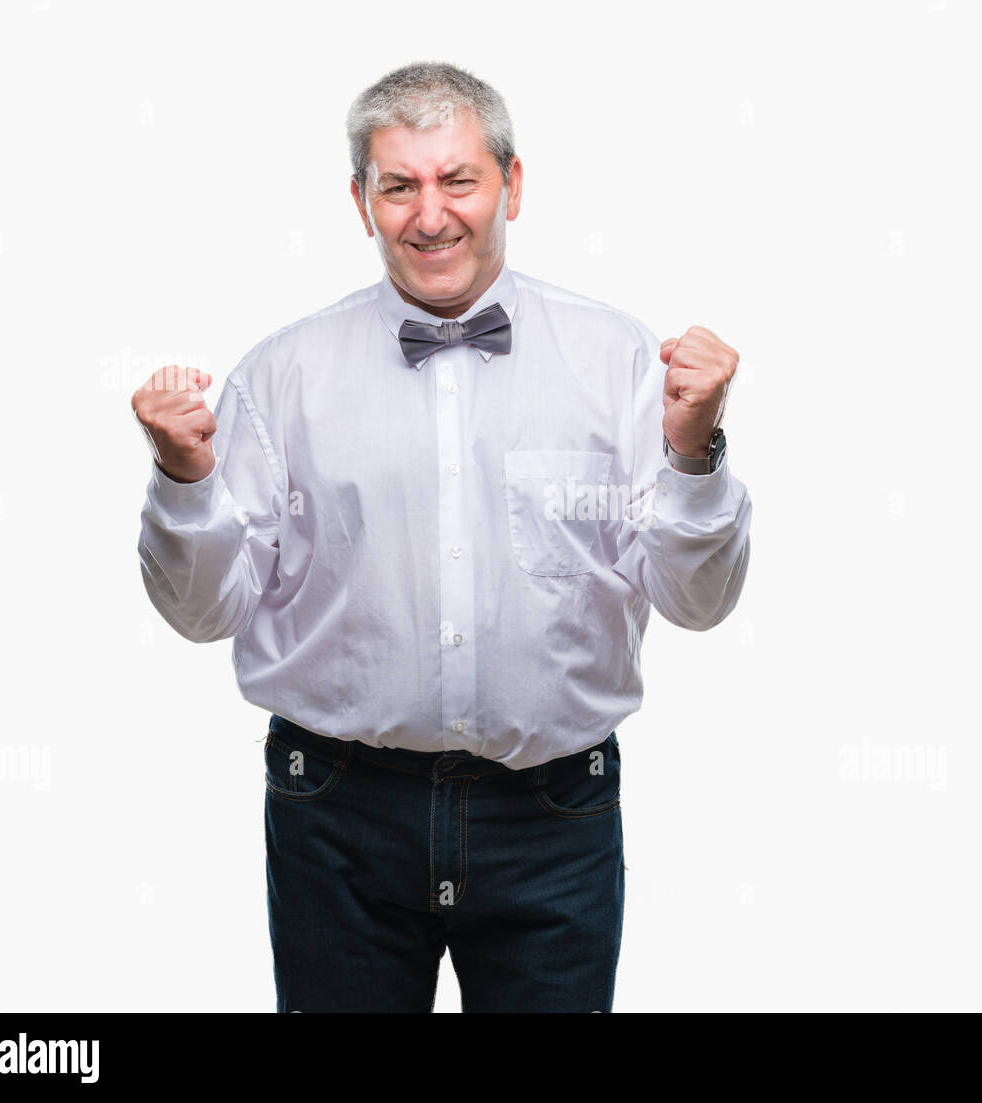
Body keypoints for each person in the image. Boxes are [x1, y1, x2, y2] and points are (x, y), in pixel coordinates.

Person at [132, 61, 752, 1013]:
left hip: (554, 814)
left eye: (458, 180)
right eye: (399, 185)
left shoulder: (622, 360)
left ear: (512, 183)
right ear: (359, 200)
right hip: (335, 808)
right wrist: (183, 480)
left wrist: (694, 451)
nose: (431, 215)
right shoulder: (283, 374)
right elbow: (203, 612)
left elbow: (699, 604)